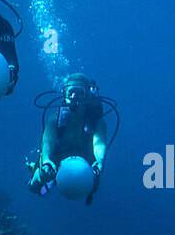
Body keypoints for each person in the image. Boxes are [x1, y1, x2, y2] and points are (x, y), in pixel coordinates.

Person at [26, 74, 119, 205]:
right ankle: (42, 174)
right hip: (57, 157)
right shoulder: (55, 118)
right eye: (71, 92)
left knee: (93, 184)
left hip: (86, 159)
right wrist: (46, 160)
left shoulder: (96, 121)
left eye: (80, 92)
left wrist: (99, 161)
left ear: (87, 95)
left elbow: (99, 143)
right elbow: (48, 141)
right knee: (35, 184)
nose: (75, 97)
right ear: (64, 94)